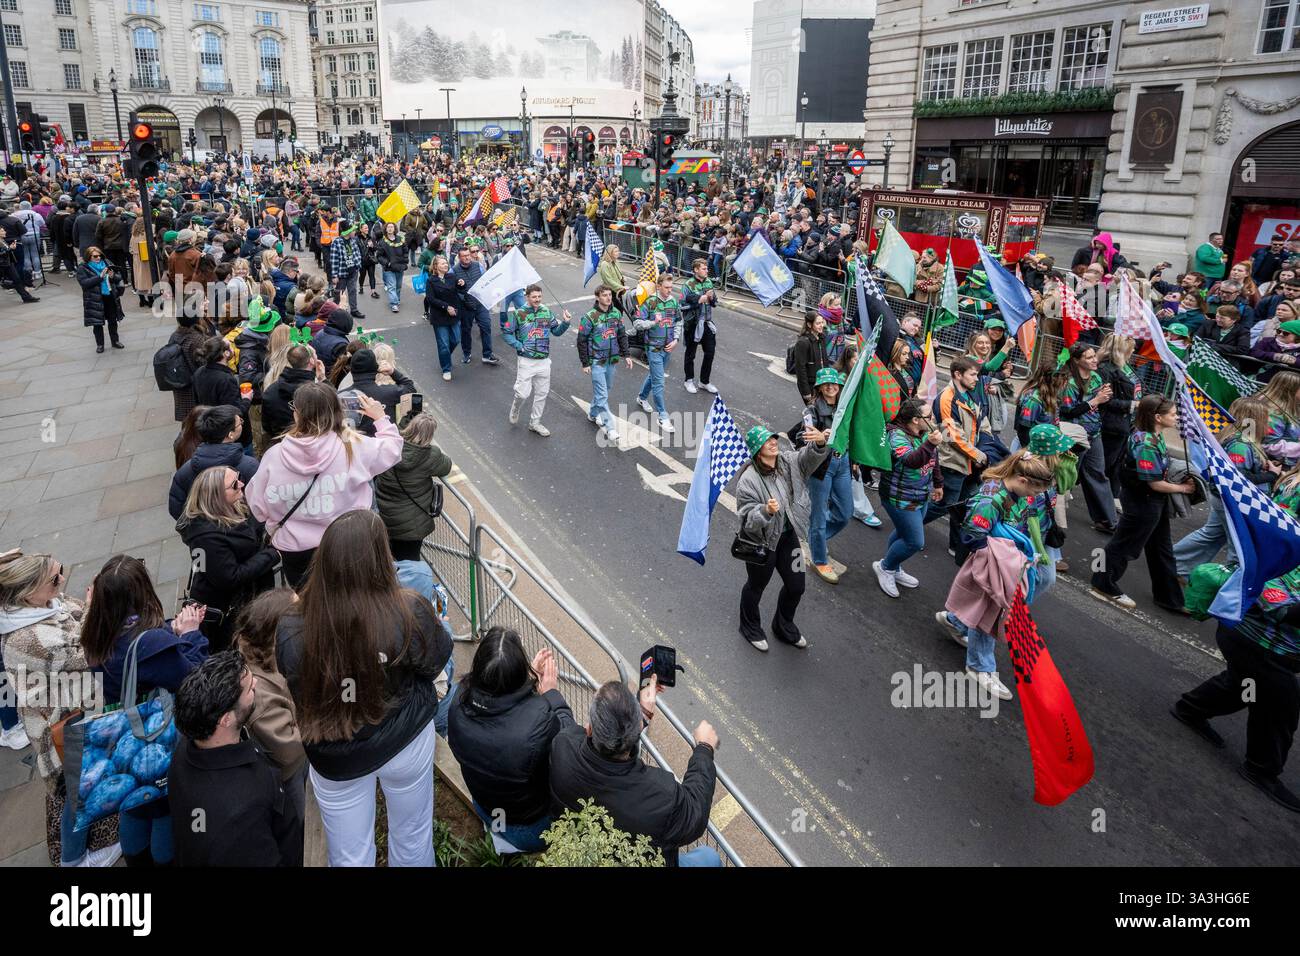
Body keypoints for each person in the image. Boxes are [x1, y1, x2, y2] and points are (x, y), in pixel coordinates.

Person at [275, 510, 453, 867]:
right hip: (403, 740)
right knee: (414, 838)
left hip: (334, 753)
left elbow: (297, 683)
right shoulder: (409, 609)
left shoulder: (292, 629)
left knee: (350, 856)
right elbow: (436, 661)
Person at [81, 555, 209, 867]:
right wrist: (189, 634)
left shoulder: (96, 633)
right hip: (155, 739)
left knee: (133, 805)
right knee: (163, 806)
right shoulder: (151, 645)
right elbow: (194, 680)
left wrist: (168, 633)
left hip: (123, 738)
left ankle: (136, 859)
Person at [0, 550, 121, 867]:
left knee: (76, 790)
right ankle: (74, 858)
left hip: (72, 712)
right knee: (75, 797)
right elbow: (91, 652)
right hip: (64, 726)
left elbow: (77, 614)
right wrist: (98, 604)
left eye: (61, 571)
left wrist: (89, 607)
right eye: (55, 578)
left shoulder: (42, 604)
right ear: (27, 593)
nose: (63, 580)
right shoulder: (32, 638)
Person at [548, 677, 721, 866]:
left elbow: (570, 730)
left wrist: (642, 714)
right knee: (709, 857)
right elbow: (694, 812)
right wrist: (704, 749)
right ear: (639, 728)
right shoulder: (661, 795)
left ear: (589, 729)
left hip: (586, 853)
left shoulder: (562, 748)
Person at [247, 382, 402, 588]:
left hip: (297, 551)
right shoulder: (353, 446)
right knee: (352, 601)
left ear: (298, 414)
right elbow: (392, 450)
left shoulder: (274, 457)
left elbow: (258, 508)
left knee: (308, 609)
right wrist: (381, 419)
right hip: (350, 544)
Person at [1172, 573, 1300, 812]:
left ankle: (1190, 709)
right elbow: (1281, 609)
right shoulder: (1285, 554)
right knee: (1279, 706)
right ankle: (1261, 769)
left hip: (1265, 646)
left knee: (1243, 684)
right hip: (1254, 641)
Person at [935, 450, 1055, 700]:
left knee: (985, 605)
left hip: (1000, 560)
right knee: (991, 611)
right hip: (993, 562)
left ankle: (955, 621)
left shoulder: (1008, 491)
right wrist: (1003, 559)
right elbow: (972, 535)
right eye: (1035, 491)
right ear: (1022, 480)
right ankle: (980, 667)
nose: (1035, 497)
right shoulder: (991, 499)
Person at [168, 649, 305, 866]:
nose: (256, 686)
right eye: (250, 688)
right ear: (225, 719)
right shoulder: (238, 818)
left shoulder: (186, 750)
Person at [446, 627, 572, 852]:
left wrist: (528, 677)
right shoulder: (537, 722)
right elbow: (570, 743)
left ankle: (497, 838)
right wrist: (552, 694)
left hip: (487, 808)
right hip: (529, 829)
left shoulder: (458, 699)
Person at [1090, 396, 1195, 612]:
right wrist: (1183, 489)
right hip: (1143, 502)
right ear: (1158, 417)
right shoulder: (1146, 442)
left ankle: (1169, 597)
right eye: (1173, 414)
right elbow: (1155, 483)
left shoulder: (1154, 436)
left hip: (1152, 501)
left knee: (1161, 549)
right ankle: (1102, 583)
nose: (1177, 418)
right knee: (1124, 546)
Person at [735, 422, 830, 650]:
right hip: (762, 543)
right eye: (767, 441)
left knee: (796, 586)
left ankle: (783, 625)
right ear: (758, 449)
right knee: (756, 586)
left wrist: (819, 444)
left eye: (773, 438)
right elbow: (747, 520)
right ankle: (750, 627)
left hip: (788, 538)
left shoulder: (787, 461)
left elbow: (808, 459)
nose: (773, 442)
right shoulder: (748, 480)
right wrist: (765, 511)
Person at [176, 466, 281, 652]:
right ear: (217, 496)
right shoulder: (207, 537)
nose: (241, 483)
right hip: (231, 612)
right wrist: (272, 554)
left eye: (239, 477)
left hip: (250, 593)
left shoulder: (235, 505)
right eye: (234, 484)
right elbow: (230, 577)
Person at [1173, 396, 1279, 577]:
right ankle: (1231, 584)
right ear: (1254, 419)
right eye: (1265, 416)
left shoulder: (1242, 440)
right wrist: (1271, 475)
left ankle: (1174, 564)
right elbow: (1238, 478)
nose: (1269, 421)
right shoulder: (1240, 444)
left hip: (1226, 498)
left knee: (1212, 535)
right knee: (1239, 546)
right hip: (1233, 501)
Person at [873, 399, 944, 598]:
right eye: (929, 416)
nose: (933, 419)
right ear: (915, 419)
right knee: (914, 541)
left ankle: (893, 566)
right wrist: (930, 443)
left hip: (920, 495)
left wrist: (938, 483)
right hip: (899, 497)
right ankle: (886, 567)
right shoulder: (896, 436)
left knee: (904, 533)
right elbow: (911, 461)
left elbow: (933, 459)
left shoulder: (923, 433)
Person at [927, 355, 989, 556]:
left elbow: (982, 422)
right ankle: (910, 527)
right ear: (957, 374)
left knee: (962, 507)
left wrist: (985, 447)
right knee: (944, 505)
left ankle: (956, 544)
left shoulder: (970, 394)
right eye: (972, 374)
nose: (976, 379)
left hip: (970, 464)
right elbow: (953, 436)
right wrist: (979, 455)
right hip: (953, 463)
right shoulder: (946, 398)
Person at [375, 411, 453, 562]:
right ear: (430, 435)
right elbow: (447, 466)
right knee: (410, 564)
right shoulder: (431, 455)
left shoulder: (391, 443)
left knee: (386, 557)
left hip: (383, 514)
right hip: (411, 524)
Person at [1059, 343, 1118, 533]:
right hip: (1075, 437)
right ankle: (1052, 512)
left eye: (1095, 356)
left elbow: (1099, 403)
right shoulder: (1069, 382)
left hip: (1094, 434)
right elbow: (1068, 411)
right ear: (1077, 361)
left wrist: (1105, 396)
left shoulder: (1096, 377)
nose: (1095, 360)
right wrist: (1096, 400)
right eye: (1089, 357)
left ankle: (1108, 520)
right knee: (1067, 477)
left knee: (1098, 474)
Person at [803, 368, 853, 584]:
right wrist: (819, 438)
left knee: (845, 512)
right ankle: (819, 559)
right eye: (826, 384)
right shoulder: (812, 410)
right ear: (819, 388)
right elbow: (803, 436)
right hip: (821, 466)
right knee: (819, 516)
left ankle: (817, 540)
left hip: (843, 463)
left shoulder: (846, 407)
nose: (831, 387)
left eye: (834, 384)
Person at [502, 283, 571, 437]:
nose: (537, 299)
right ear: (527, 297)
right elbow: (506, 332)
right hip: (526, 360)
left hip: (544, 360)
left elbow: (556, 332)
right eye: (534, 297)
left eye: (539, 296)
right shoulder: (518, 314)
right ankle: (515, 407)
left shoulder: (546, 311)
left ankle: (535, 423)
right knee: (522, 394)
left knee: (542, 393)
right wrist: (519, 346)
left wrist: (565, 323)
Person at [168, 404, 259, 519]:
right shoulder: (249, 466)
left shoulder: (185, 470)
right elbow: (260, 505)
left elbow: (176, 507)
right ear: (230, 434)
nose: (242, 423)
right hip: (242, 530)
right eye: (240, 422)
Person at [577, 284, 633, 443]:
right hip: (596, 362)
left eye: (610, 295)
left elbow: (621, 335)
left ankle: (593, 413)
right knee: (602, 394)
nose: (609, 298)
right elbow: (581, 340)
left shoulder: (616, 313)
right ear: (597, 297)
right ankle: (610, 428)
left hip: (612, 360)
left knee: (605, 390)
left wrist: (627, 354)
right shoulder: (589, 317)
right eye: (605, 295)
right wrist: (585, 363)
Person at [1096, 334, 1143, 501]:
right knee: (1103, 465)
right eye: (1130, 349)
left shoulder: (1126, 367)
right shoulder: (1105, 370)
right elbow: (1103, 401)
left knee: (1116, 466)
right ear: (1121, 350)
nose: (1133, 352)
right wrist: (1132, 405)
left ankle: (1113, 498)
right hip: (1111, 425)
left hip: (1126, 424)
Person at [634, 272, 682, 433]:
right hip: (653, 348)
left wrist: (676, 340)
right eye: (667, 287)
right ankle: (663, 416)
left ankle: (641, 397)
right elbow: (637, 323)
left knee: (654, 375)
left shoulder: (674, 302)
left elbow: (679, 321)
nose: (669, 290)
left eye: (671, 287)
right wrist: (653, 321)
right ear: (659, 286)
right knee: (659, 381)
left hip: (668, 348)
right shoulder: (650, 302)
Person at [344, 348, 417, 436]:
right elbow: (410, 388)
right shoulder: (389, 392)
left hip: (353, 446)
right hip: (383, 445)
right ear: (376, 369)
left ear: (351, 370)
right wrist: (393, 372)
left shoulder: (340, 396)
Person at [261, 343, 324, 445]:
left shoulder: (270, 391)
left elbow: (267, 425)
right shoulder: (319, 392)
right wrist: (323, 380)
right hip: (314, 445)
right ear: (312, 361)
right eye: (315, 354)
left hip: (283, 443)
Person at [451, 245, 498, 365]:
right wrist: (459, 287)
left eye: (468, 255)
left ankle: (487, 355)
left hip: (480, 303)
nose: (468, 257)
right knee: (466, 331)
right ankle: (467, 353)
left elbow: (486, 281)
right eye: (464, 256)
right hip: (465, 305)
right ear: (459, 257)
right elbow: (451, 289)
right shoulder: (454, 271)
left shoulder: (478, 266)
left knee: (486, 327)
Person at [680, 258, 719, 394]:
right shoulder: (688, 285)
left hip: (707, 322)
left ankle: (704, 381)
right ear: (696, 270)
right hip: (693, 324)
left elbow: (715, 302)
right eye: (703, 268)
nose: (706, 270)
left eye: (707, 268)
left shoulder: (708, 282)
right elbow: (682, 305)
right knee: (690, 353)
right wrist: (698, 300)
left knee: (710, 352)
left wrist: (712, 298)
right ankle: (688, 380)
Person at [77, 246, 124, 353]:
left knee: (113, 321)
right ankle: (100, 345)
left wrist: (113, 276)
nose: (98, 258)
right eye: (95, 256)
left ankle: (115, 341)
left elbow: (118, 277)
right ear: (89, 257)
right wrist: (100, 277)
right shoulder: (83, 268)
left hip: (110, 296)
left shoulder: (107, 263)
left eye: (100, 255)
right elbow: (84, 283)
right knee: (97, 323)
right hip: (95, 299)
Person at [424, 254, 462, 381]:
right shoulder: (431, 280)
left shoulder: (451, 276)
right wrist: (446, 307)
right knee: (444, 344)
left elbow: (460, 287)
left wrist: (462, 283)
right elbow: (430, 299)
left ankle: (444, 355)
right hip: (440, 317)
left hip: (454, 314)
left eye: (446, 263)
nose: (446, 265)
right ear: (436, 266)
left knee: (456, 339)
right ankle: (446, 368)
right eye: (442, 263)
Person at [1259, 370, 1300, 468]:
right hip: (1277, 466)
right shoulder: (1274, 412)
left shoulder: (1292, 405)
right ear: (1290, 390)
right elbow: (1269, 445)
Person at [328, 217, 366, 318]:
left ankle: (354, 310)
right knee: (340, 293)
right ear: (348, 232)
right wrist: (334, 275)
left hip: (353, 271)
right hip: (342, 273)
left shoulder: (353, 240)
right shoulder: (336, 242)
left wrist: (358, 265)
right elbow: (334, 260)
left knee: (353, 290)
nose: (354, 231)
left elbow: (357, 253)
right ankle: (336, 311)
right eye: (353, 230)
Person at [792, 310, 829, 406]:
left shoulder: (821, 338)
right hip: (811, 385)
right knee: (815, 411)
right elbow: (800, 369)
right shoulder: (803, 342)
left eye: (822, 322)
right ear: (809, 324)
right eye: (818, 323)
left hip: (821, 382)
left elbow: (824, 360)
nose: (821, 325)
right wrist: (806, 391)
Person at [375, 220, 407, 314]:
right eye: (388, 227)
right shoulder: (382, 242)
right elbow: (379, 256)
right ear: (385, 229)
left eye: (392, 227)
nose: (390, 228)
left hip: (400, 267)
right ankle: (394, 304)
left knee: (398, 286)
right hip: (389, 268)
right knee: (391, 286)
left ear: (394, 229)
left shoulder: (400, 239)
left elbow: (405, 251)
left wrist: (405, 261)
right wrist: (387, 263)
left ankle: (396, 299)